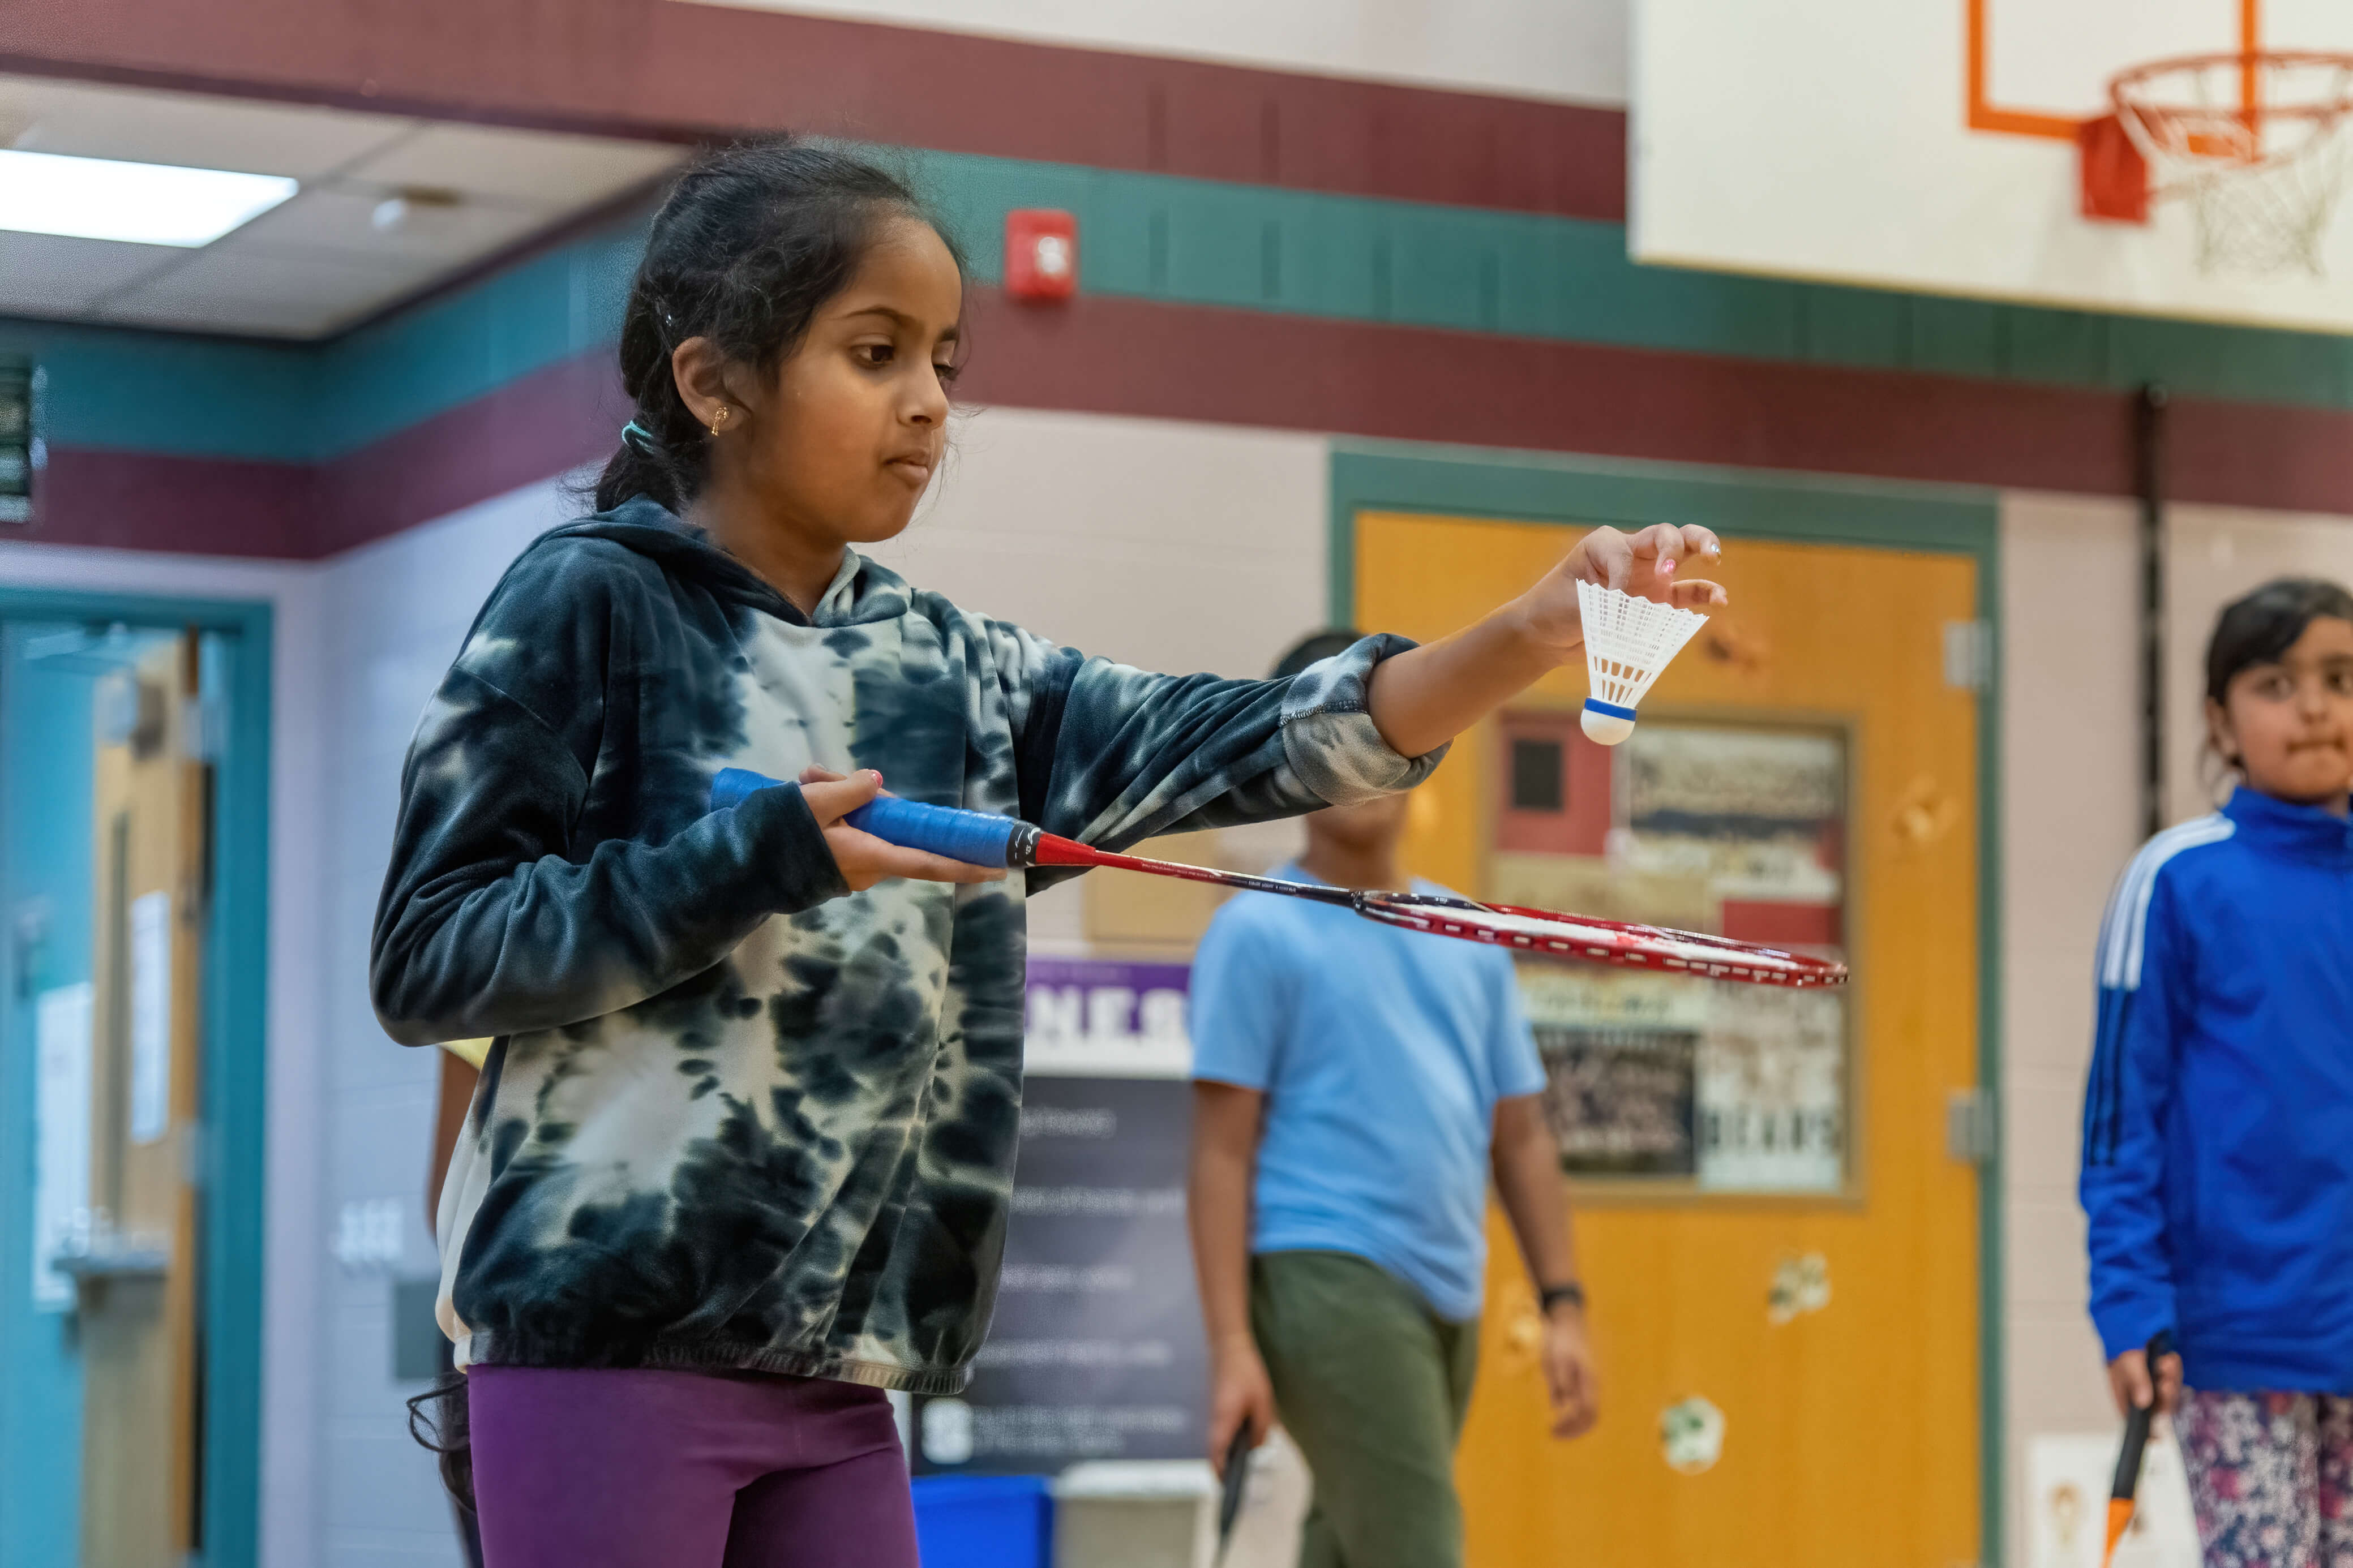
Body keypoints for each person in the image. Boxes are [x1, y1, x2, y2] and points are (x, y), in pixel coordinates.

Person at [370, 136, 1719, 1568]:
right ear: (717, 383)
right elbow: (431, 958)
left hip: (839, 1369)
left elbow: (1252, 738)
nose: (929, 404)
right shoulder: (585, 604)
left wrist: (1518, 635)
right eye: (875, 352)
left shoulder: (947, 669)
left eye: (946, 361)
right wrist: (751, 860)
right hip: (601, 1343)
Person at [1185, 629, 1600, 1568]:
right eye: (1335, 734)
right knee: (1416, 1548)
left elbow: (1521, 1138)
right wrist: (1230, 1348)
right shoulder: (1258, 931)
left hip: (1446, 1292)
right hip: (1324, 1278)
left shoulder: (1468, 934)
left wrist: (1563, 1303)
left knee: (1349, 1542)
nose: (1363, 759)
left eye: (1383, 729)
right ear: (1286, 755)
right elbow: (1218, 1153)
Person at [2080, 577, 2353, 1567]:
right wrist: (2128, 1305)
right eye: (2277, 684)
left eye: (2339, 678)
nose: (2315, 707)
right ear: (2219, 720)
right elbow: (2122, 1120)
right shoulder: (2178, 879)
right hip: (2236, 1341)